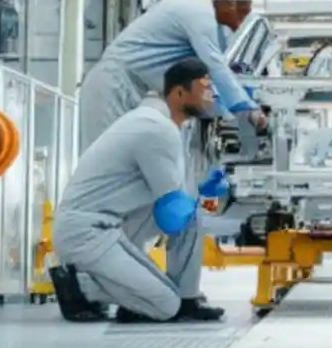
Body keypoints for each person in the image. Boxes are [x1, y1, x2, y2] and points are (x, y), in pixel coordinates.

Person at [48, 58, 233, 323]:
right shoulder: (155, 128)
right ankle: (80, 285)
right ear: (179, 93)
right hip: (86, 233)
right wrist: (207, 198)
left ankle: (187, 298)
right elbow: (172, 213)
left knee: (192, 217)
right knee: (166, 305)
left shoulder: (158, 122)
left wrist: (196, 194)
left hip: (111, 223)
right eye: (204, 88)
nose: (211, 95)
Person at [77, 0, 267, 150]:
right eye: (243, 12)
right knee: (107, 164)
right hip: (112, 86)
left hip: (130, 90)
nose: (241, 21)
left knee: (125, 166)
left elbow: (209, 80)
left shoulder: (204, 21)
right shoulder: (199, 15)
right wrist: (246, 108)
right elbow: (217, 68)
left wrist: (229, 108)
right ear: (230, 3)